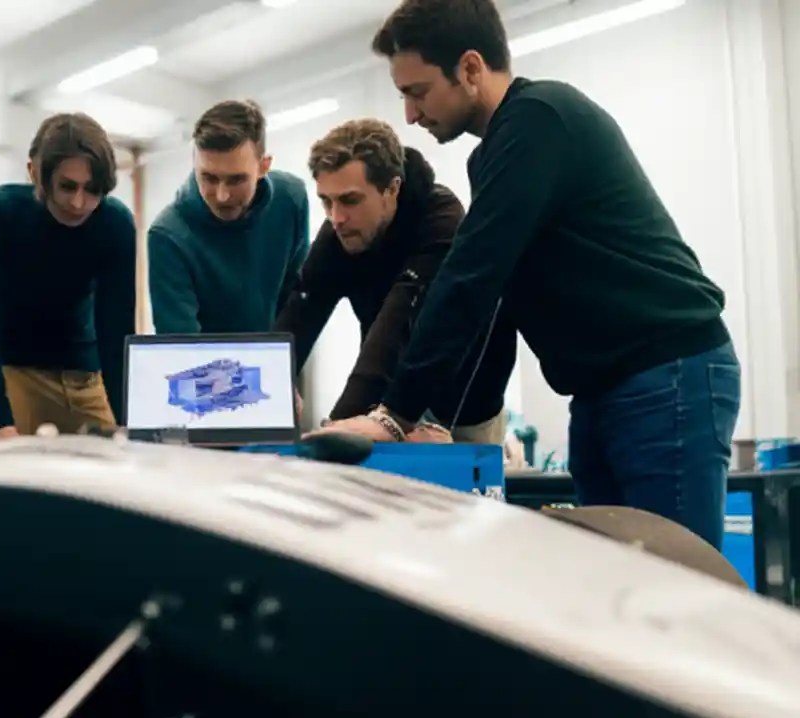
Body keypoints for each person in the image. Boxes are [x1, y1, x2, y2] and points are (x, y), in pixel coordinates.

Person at [313, 0, 740, 550]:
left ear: (469, 69)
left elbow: (471, 276)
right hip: (599, 392)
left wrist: (394, 414)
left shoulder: (540, 119)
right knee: (619, 586)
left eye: (416, 92)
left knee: (677, 587)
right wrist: (434, 415)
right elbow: (493, 305)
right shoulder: (495, 154)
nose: (411, 116)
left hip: (665, 375)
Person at [275, 118, 513, 442]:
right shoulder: (339, 231)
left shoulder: (441, 219)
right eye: (326, 201)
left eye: (350, 200)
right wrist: (275, 378)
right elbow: (302, 308)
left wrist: (339, 425)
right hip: (388, 394)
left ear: (392, 189)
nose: (336, 217)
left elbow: (399, 320)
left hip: (464, 403)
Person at [0, 113, 136, 435]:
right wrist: (0, 421)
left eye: (93, 190)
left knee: (119, 461)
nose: (78, 203)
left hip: (86, 374)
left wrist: (129, 421)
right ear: (35, 173)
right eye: (67, 186)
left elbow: (117, 331)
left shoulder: (114, 224)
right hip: (15, 371)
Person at [148, 100, 310, 334]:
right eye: (209, 178)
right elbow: (181, 344)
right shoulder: (168, 235)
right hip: (205, 367)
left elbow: (295, 304)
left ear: (264, 166)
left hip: (276, 357)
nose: (222, 196)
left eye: (236, 180)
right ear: (194, 163)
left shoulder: (291, 200)